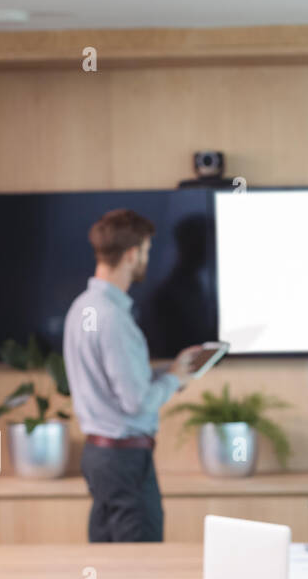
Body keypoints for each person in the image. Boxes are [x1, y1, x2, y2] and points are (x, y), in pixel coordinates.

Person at [63, 209, 204, 542]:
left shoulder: (82, 308)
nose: (147, 259)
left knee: (108, 562)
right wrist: (176, 380)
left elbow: (110, 379)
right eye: (146, 251)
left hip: (100, 456)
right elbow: (136, 402)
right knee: (141, 565)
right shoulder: (113, 318)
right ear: (130, 254)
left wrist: (169, 370)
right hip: (125, 460)